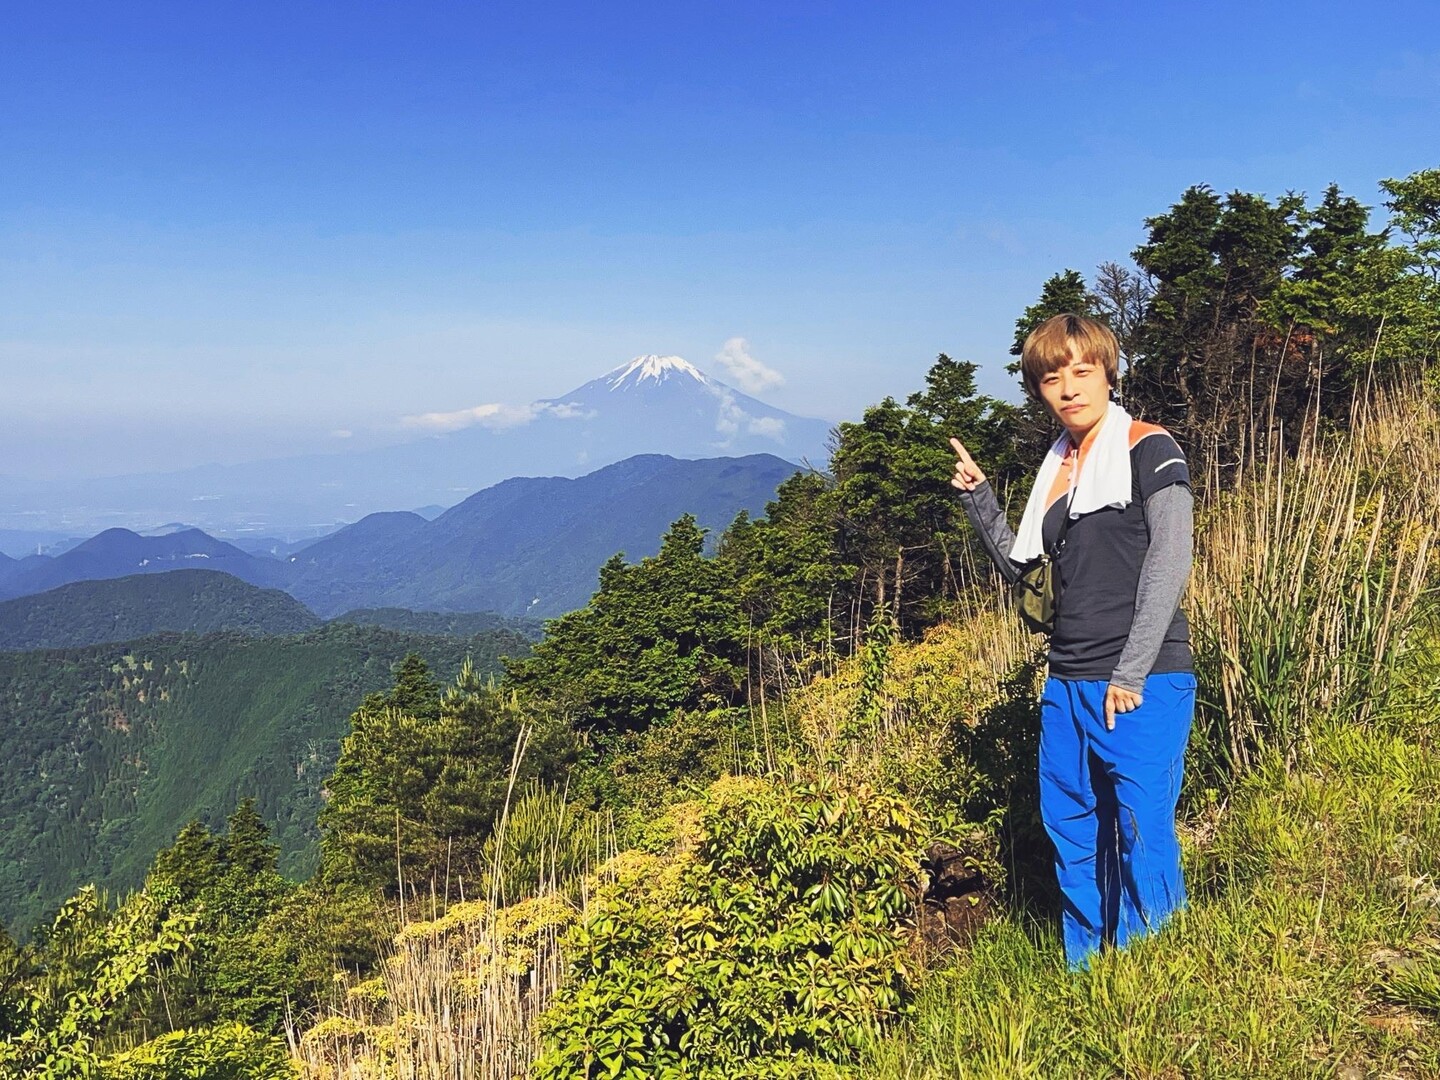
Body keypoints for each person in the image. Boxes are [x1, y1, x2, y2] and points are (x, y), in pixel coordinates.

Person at [949, 313, 1195, 969]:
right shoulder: (1057, 469)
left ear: (1108, 374)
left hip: (1143, 679)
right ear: (1039, 389)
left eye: (1082, 371)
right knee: (1073, 828)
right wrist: (981, 500)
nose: (1069, 387)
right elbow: (1020, 564)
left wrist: (1132, 673)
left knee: (1139, 831)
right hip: (1067, 681)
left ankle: (1156, 976)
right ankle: (1091, 970)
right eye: (1052, 377)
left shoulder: (1150, 447)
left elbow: (1171, 562)